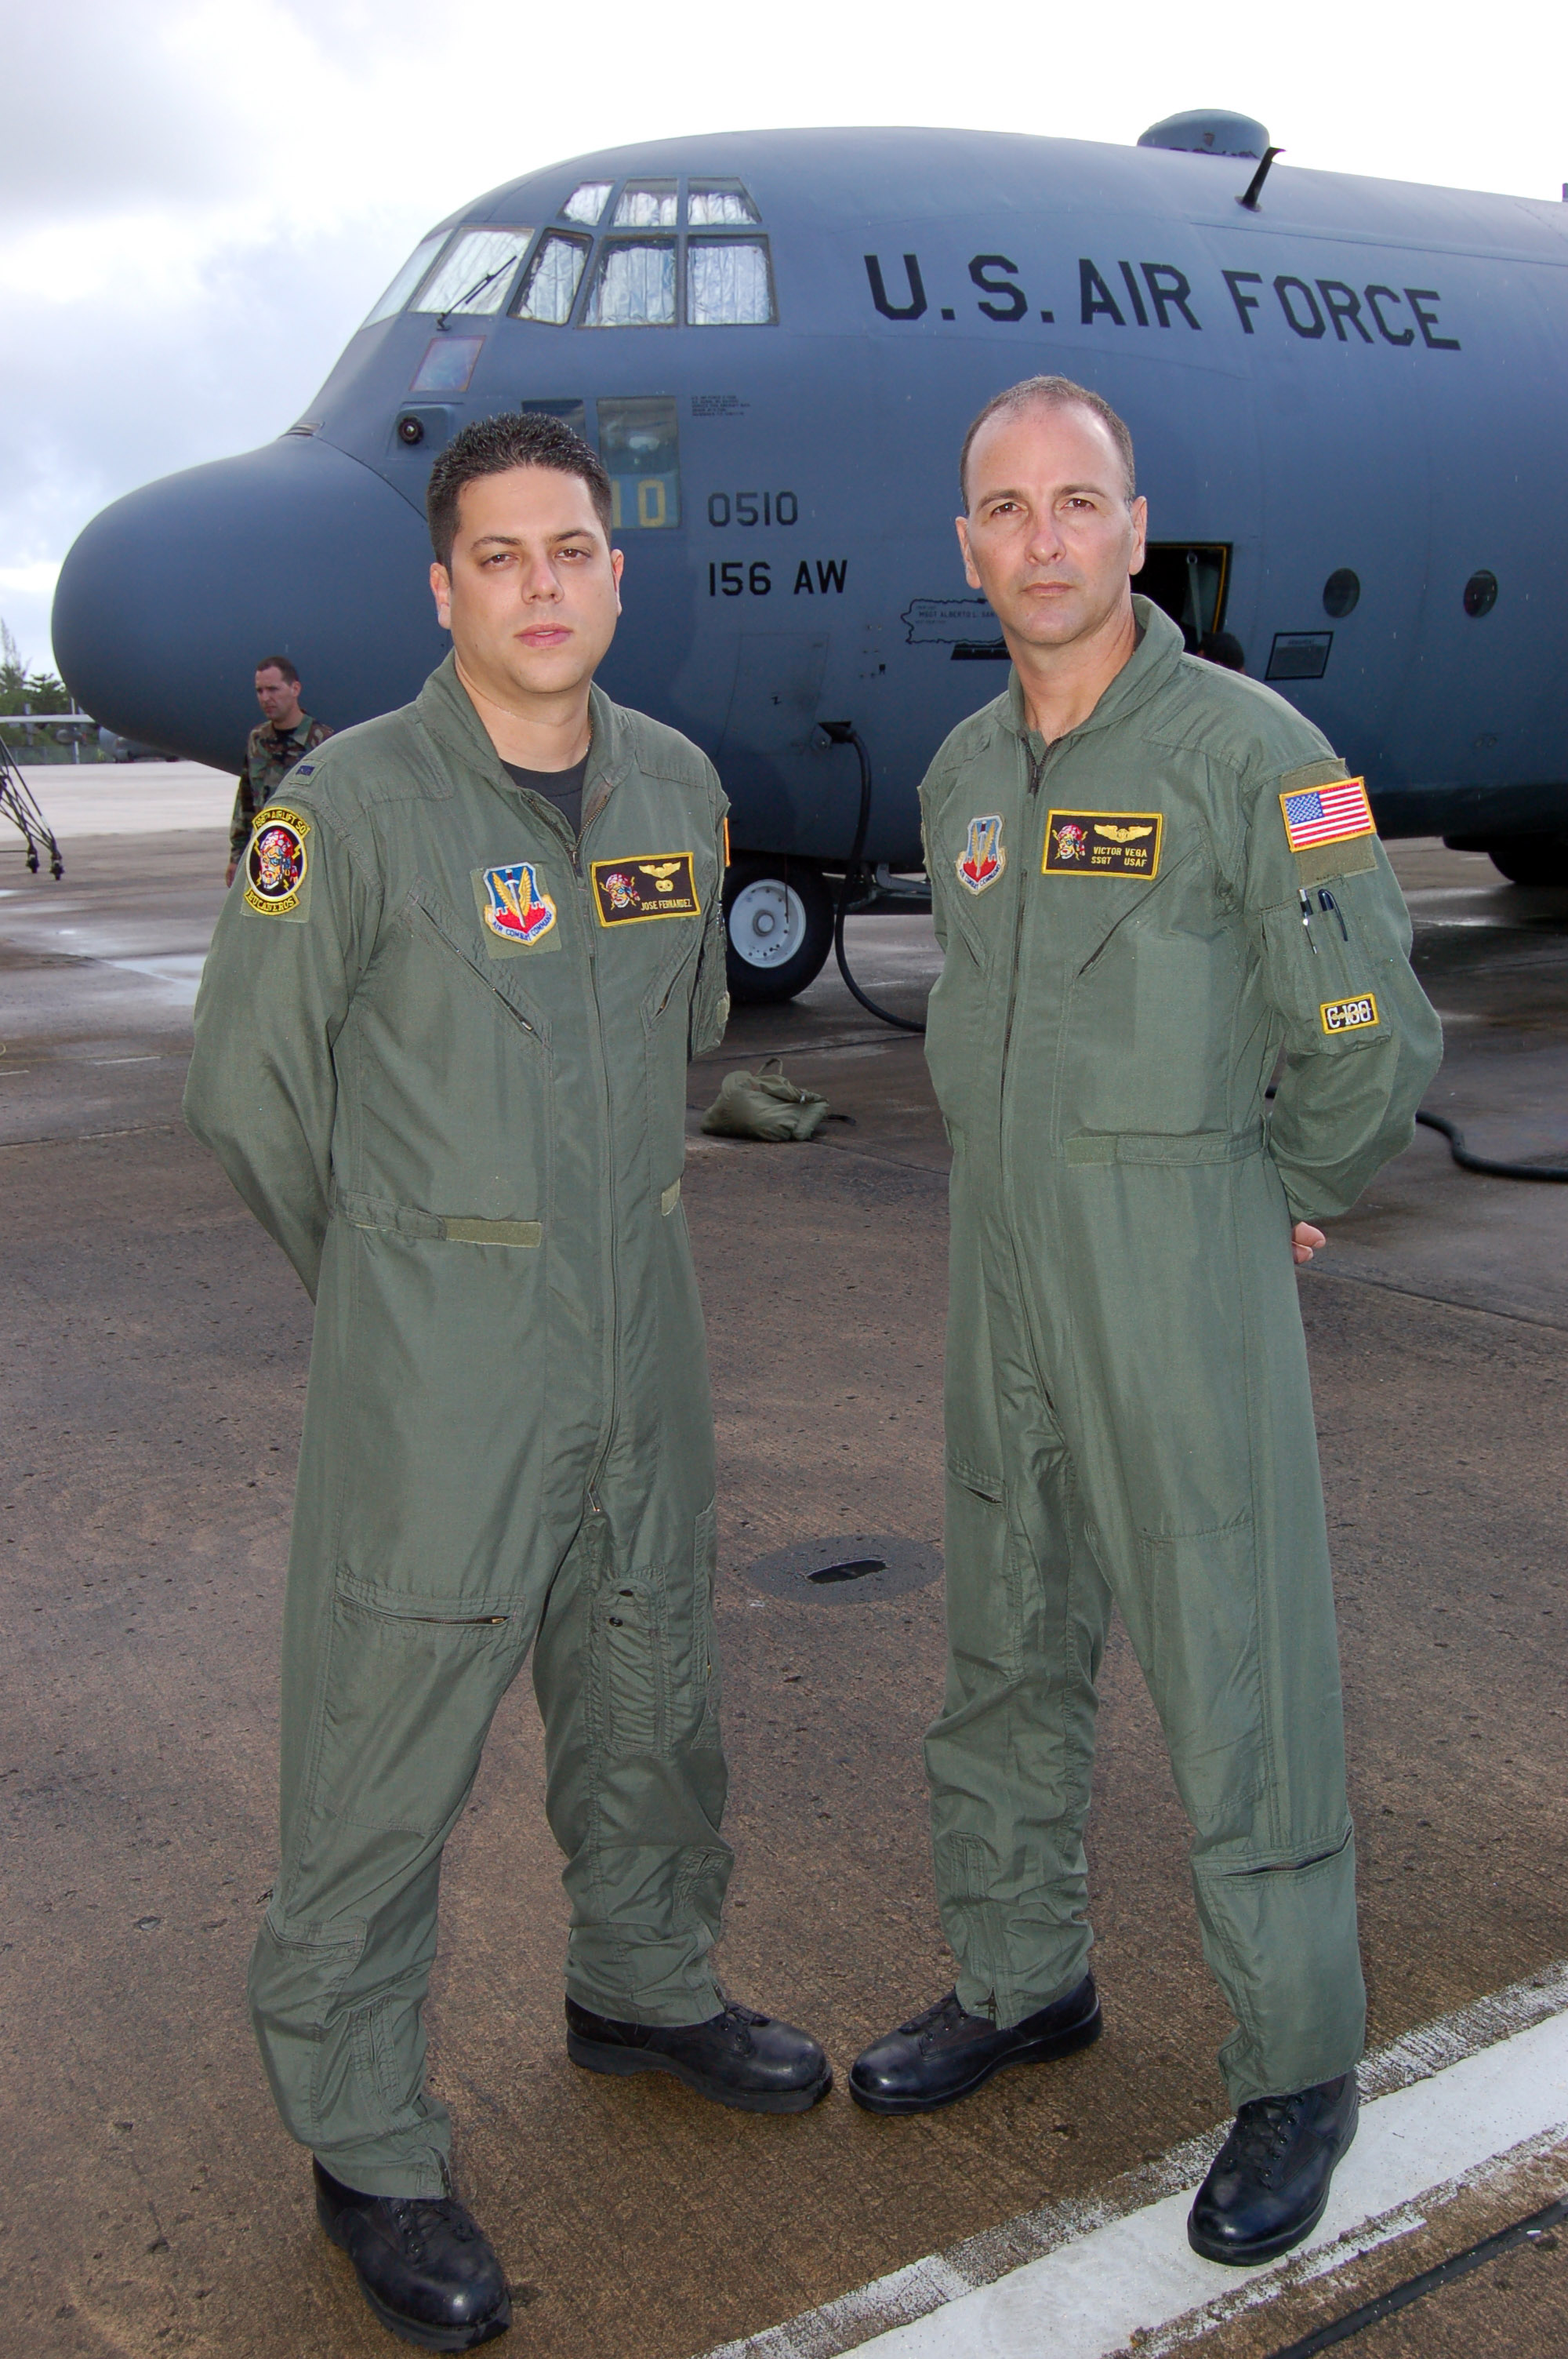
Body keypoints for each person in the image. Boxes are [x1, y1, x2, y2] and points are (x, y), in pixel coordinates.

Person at [186, 412, 829, 2351]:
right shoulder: (354, 805)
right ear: (443, 585)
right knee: (385, 1742)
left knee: (647, 1675)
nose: (541, 584)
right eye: (500, 555)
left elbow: (690, 1034)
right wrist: (397, 1284)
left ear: (613, 575)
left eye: (573, 550)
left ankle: (643, 1979)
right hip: (441, 1351)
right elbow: (247, 1091)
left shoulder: (680, 791)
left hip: (642, 1311)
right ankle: (366, 2132)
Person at [848, 376, 1441, 2269]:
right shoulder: (959, 774)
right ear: (967, 544)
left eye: (1072, 502)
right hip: (998, 1259)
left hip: (1174, 1257)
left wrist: (1284, 1183)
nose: (1038, 539)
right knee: (1004, 1633)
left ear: (1133, 527)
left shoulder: (1249, 751)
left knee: (1231, 1656)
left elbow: (1366, 1027)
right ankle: (1022, 1974)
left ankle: (1294, 2060)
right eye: (1002, 508)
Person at [224, 656, 333, 887]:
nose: (266, 698)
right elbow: (245, 801)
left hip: (306, 861)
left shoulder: (322, 741)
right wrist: (236, 856)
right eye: (260, 691)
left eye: (273, 689)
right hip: (264, 858)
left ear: (295, 688)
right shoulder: (258, 739)